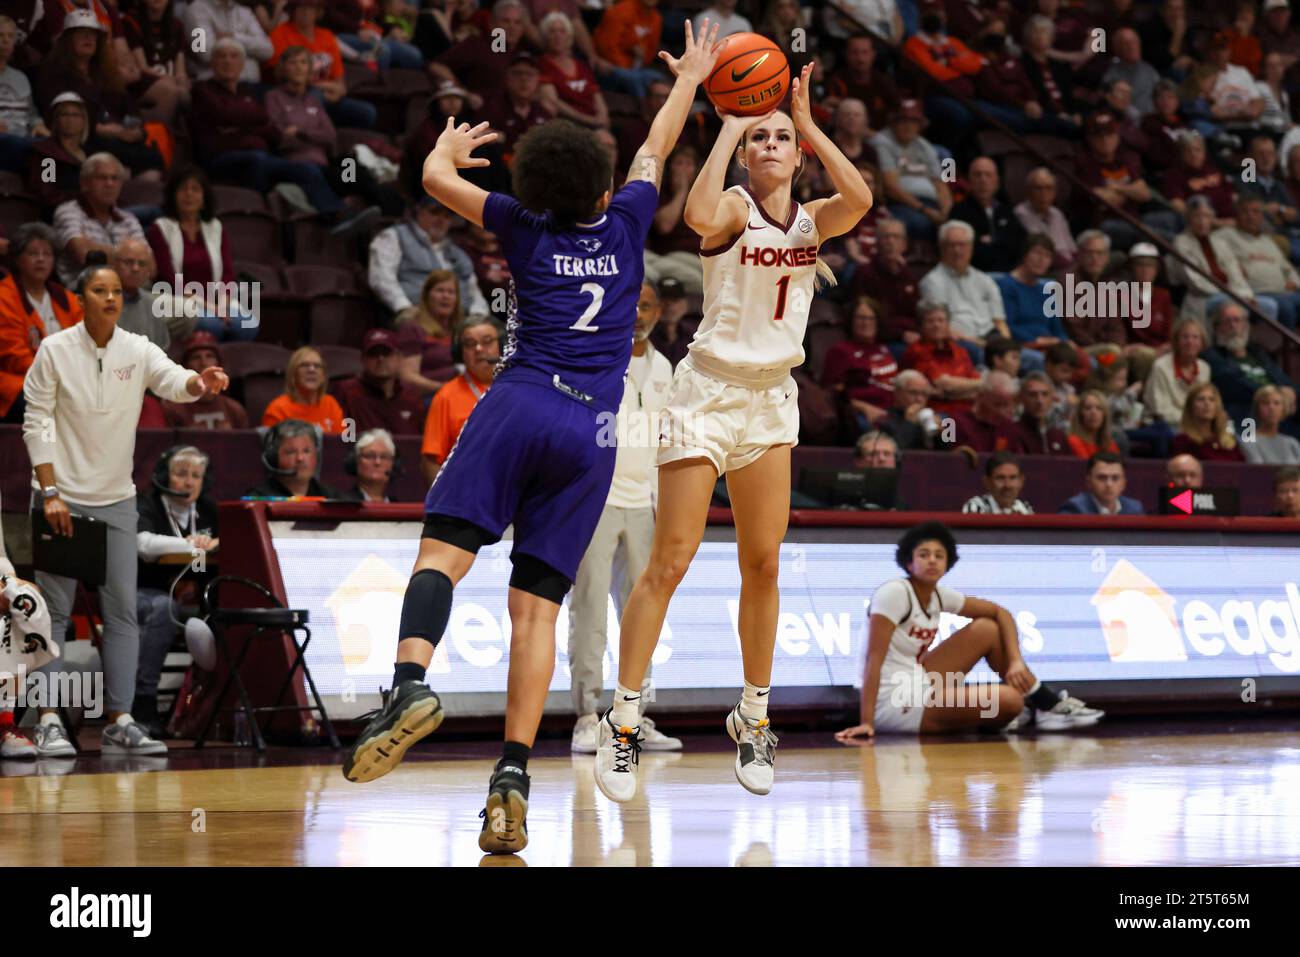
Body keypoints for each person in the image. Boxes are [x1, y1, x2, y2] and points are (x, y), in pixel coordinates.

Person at [341, 22, 726, 858]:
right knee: (535, 608)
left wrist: (445, 145)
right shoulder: (627, 221)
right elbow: (656, 144)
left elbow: (436, 179)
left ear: (535, 185)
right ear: (600, 186)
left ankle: (409, 684)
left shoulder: (521, 224)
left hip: (519, 403)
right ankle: (513, 776)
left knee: (442, 553)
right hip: (593, 430)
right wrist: (692, 79)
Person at [595, 57, 873, 805]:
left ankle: (753, 714)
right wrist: (727, 125)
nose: (773, 145)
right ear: (747, 155)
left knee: (764, 564)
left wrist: (810, 121)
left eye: (783, 138)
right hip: (706, 396)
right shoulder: (731, 212)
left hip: (769, 401)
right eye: (764, 139)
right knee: (671, 560)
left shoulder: (815, 220)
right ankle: (623, 721)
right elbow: (692, 215)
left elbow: (862, 194)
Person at [22, 263, 230, 757]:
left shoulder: (136, 348)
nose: (111, 298)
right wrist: (50, 492)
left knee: (122, 613)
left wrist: (199, 384)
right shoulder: (54, 350)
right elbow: (36, 423)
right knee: (52, 611)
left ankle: (121, 718)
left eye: (116, 291)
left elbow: (173, 380)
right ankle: (49, 719)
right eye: (100, 290)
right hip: (61, 496)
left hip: (116, 497)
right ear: (81, 299)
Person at [836, 522, 1102, 738]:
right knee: (1010, 700)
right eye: (923, 555)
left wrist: (1016, 662)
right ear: (908, 562)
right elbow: (873, 660)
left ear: (948, 563)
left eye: (939, 556)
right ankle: (1011, 711)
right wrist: (867, 722)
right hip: (892, 699)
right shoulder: (893, 593)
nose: (932, 561)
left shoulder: (939, 595)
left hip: (918, 680)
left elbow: (1001, 613)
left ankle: (1042, 702)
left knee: (986, 629)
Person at [568, 281, 678, 754]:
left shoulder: (666, 367)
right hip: (597, 501)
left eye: (646, 306)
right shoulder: (594, 356)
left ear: (659, 312)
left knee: (643, 615)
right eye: (629, 306)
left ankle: (634, 715)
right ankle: (587, 717)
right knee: (589, 608)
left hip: (645, 505)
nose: (637, 314)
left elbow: (670, 439)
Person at [134, 445, 218, 738]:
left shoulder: (209, 509)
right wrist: (190, 545)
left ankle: (211, 707)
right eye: (181, 474)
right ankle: (143, 703)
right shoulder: (147, 504)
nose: (189, 481)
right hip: (145, 591)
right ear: (162, 477)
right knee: (162, 610)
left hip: (198, 598)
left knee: (226, 610)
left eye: (196, 475)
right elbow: (142, 544)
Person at [145, 164, 243, 343]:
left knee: (245, 324)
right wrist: (211, 307)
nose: (189, 194)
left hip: (215, 300)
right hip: (178, 298)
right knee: (213, 324)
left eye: (195, 189)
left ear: (204, 197)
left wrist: (222, 303)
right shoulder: (160, 228)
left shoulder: (215, 226)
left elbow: (227, 273)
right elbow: (170, 279)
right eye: (183, 189)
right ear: (173, 196)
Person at [0, 223, 83, 424]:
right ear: (18, 259)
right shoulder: (4, 297)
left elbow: (86, 344)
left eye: (47, 254)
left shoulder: (67, 299)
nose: (41, 259)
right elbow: (14, 357)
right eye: (33, 253)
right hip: (17, 383)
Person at [369, 196, 490, 322]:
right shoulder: (394, 236)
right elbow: (382, 278)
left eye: (447, 216)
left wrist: (478, 314)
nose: (441, 220)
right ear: (418, 212)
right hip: (415, 315)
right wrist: (404, 307)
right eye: (435, 212)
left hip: (460, 320)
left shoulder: (458, 252)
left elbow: (473, 290)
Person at [419, 318, 502, 483]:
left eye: (487, 342)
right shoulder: (446, 396)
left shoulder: (519, 389)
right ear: (460, 353)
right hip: (465, 497)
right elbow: (431, 462)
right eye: (470, 344)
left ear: (502, 345)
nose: (479, 349)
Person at [919, 220, 1010, 367]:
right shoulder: (932, 282)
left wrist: (1007, 344)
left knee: (1032, 359)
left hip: (992, 339)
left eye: (962, 244)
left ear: (971, 247)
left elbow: (999, 321)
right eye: (951, 245)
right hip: (960, 340)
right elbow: (941, 327)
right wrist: (980, 344)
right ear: (942, 247)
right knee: (980, 355)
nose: (957, 250)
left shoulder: (985, 280)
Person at [52, 152, 144, 285]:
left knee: (177, 304)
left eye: (114, 178)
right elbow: (84, 254)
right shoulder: (68, 211)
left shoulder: (128, 219)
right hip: (84, 292)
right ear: (85, 183)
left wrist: (95, 247)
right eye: (101, 178)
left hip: (126, 290)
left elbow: (150, 266)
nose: (109, 184)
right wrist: (130, 256)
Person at [820, 296, 897, 435]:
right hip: (860, 414)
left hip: (892, 410)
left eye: (870, 318)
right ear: (852, 321)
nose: (865, 323)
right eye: (860, 318)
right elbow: (832, 393)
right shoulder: (841, 351)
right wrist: (865, 408)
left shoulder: (884, 349)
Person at [334, 329, 426, 436]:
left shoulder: (411, 394)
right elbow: (344, 439)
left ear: (400, 358)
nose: (380, 359)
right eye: (373, 354)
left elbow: (420, 439)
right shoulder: (347, 392)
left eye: (386, 353)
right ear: (362, 359)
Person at [901, 301, 983, 417]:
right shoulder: (917, 351)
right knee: (949, 431)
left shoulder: (959, 350)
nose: (936, 325)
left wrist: (952, 394)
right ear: (921, 327)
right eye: (930, 321)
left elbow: (978, 389)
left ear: (948, 325)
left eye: (941, 320)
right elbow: (945, 384)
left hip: (969, 410)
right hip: (939, 413)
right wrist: (984, 384)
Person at [161, 331, 250, 429]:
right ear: (185, 366)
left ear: (219, 364)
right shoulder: (172, 409)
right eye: (196, 357)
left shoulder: (234, 409)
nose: (204, 363)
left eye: (209, 356)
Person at [395, 269, 460, 397]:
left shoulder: (460, 329)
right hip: (428, 397)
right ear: (426, 296)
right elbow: (407, 377)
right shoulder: (412, 329)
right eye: (440, 290)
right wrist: (444, 389)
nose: (445, 296)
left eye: (451, 292)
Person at [245, 418, 341, 498]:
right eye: (291, 452)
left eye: (306, 451)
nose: (300, 458)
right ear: (273, 457)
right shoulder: (257, 500)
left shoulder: (332, 499)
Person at [261, 346, 346, 433]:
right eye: (305, 365)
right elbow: (271, 445)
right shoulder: (278, 410)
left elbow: (342, 443)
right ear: (293, 374)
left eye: (317, 366)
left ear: (323, 376)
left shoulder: (331, 404)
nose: (312, 370)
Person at [27, 91, 89, 210]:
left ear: (84, 120)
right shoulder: (47, 154)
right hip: (61, 212)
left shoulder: (92, 154)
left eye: (75, 115)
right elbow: (47, 194)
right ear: (56, 120)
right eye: (64, 114)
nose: (70, 119)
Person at [1144, 317, 1211, 428]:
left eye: (1195, 337)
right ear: (1176, 341)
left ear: (1202, 342)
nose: (1190, 342)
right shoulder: (1160, 367)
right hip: (1164, 426)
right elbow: (1160, 410)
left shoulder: (1205, 368)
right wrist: (1193, 419)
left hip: (1195, 424)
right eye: (1185, 337)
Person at [110, 237, 168, 349]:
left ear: (148, 270)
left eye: (142, 264)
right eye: (128, 262)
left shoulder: (154, 305)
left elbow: (161, 354)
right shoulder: (100, 302)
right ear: (114, 264)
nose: (135, 268)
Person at [1171, 382, 1246, 461]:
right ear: (1190, 407)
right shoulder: (1183, 441)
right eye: (1201, 399)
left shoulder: (1229, 441)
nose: (1207, 403)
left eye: (1211, 399)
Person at [951, 371, 1022, 453]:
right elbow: (945, 459)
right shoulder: (953, 423)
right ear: (980, 397)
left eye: (1006, 405)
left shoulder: (1009, 427)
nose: (1001, 412)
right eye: (997, 405)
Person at [1058, 451, 1145, 514]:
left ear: (1123, 484)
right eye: (1102, 478)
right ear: (1089, 482)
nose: (1109, 484)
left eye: (1115, 478)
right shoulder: (1075, 508)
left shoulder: (1134, 509)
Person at [876, 369, 939, 450]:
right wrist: (909, 424)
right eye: (913, 393)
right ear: (897, 392)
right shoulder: (884, 420)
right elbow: (895, 451)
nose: (919, 399)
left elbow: (950, 451)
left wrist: (943, 433)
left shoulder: (930, 416)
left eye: (924, 394)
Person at [1012, 371, 1070, 455]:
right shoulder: (1012, 432)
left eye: (1045, 394)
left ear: (1052, 399)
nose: (1040, 401)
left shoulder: (1058, 435)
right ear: (1022, 398)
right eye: (1032, 395)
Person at [1242, 385, 1300, 464]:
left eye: (1276, 403)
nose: (1271, 408)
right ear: (1257, 408)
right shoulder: (1249, 441)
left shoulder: (1292, 443)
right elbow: (1257, 471)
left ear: (1284, 409)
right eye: (1265, 403)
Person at [962, 451, 1034, 514]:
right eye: (1000, 478)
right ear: (987, 482)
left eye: (1013, 478)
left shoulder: (1025, 509)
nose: (1007, 485)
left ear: (1021, 481)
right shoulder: (976, 507)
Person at [341, 428, 400, 502]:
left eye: (384, 457)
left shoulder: (397, 505)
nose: (377, 462)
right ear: (355, 461)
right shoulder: (345, 503)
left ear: (393, 465)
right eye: (370, 456)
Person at [1067, 389, 1122, 458]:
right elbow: (1088, 466)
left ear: (1105, 415)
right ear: (1080, 414)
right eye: (1088, 408)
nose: (1093, 412)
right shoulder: (1074, 441)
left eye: (1099, 408)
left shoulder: (1110, 444)